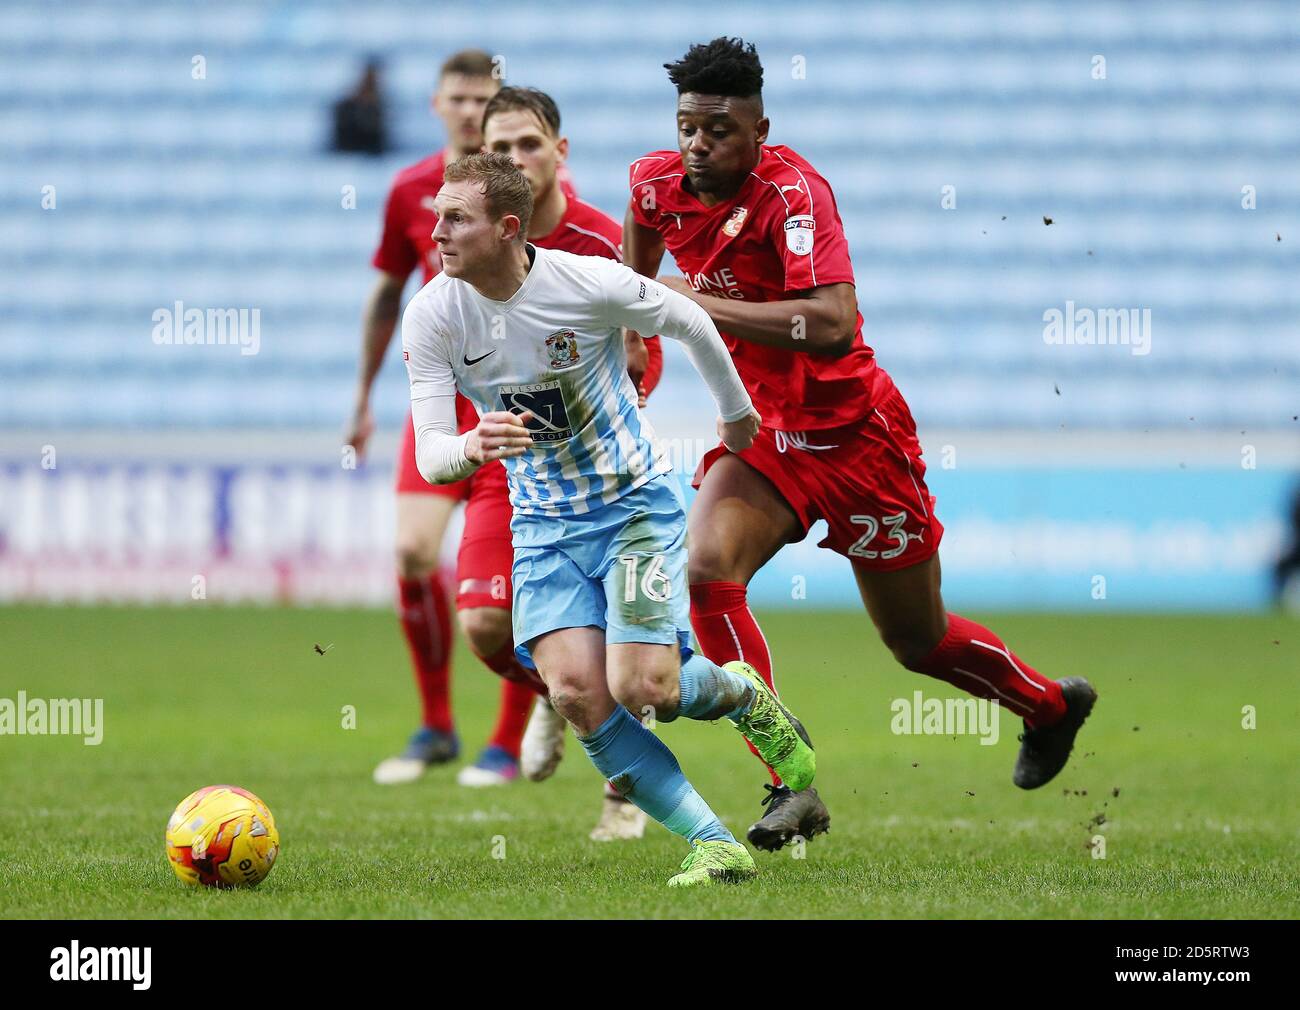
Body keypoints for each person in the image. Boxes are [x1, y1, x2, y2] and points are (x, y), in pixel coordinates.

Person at [623, 37, 1098, 851]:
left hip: (858, 440)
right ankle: (789, 780)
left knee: (917, 642)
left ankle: (1052, 707)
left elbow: (833, 322)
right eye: (688, 128)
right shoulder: (654, 181)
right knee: (706, 569)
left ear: (760, 128)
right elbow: (643, 233)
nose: (699, 145)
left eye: (721, 131)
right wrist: (640, 329)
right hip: (767, 437)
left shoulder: (794, 195)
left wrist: (689, 303)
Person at [402, 152, 818, 887]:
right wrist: (472, 445)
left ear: (505, 228)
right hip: (542, 529)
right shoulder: (435, 313)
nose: (437, 230)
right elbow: (434, 454)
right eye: (438, 213)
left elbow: (686, 316)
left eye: (455, 217)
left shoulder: (583, 282)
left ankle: (742, 694)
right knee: (574, 693)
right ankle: (713, 842)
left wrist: (736, 414)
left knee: (644, 687)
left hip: (631, 507)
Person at [348, 50, 572, 787]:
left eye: (486, 99)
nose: (473, 111)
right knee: (413, 554)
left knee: (506, 593)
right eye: (461, 99)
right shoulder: (412, 188)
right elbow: (387, 296)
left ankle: (508, 741)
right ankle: (436, 725)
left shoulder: (533, 202)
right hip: (438, 403)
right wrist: (361, 398)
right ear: (439, 104)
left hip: (514, 413)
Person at [479, 86, 661, 837]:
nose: (516, 160)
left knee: (632, 655)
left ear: (560, 151)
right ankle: (559, 695)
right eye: (500, 150)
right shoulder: (469, 238)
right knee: (488, 627)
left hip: (602, 473)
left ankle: (625, 792)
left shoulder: (597, 240)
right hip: (512, 465)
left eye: (529, 144)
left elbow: (641, 351)